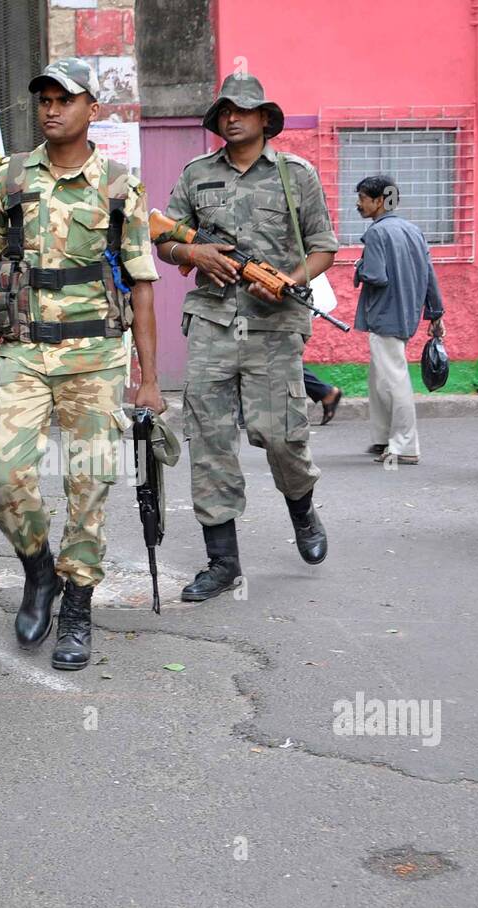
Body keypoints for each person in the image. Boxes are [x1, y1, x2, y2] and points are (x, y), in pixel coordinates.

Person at [0, 58, 164, 671]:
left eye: (65, 99)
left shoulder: (117, 186)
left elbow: (141, 281)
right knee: (3, 474)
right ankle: (38, 571)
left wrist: (150, 377)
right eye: (44, 99)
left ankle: (77, 602)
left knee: (91, 482)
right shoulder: (11, 180)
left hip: (97, 355)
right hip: (24, 350)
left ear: (92, 110)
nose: (52, 109)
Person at [155, 73, 337, 602]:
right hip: (211, 324)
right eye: (225, 110)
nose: (232, 117)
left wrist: (291, 282)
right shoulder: (195, 174)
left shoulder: (294, 176)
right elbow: (165, 237)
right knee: (209, 440)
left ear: (264, 119)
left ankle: (302, 509)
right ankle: (222, 562)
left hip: (274, 328)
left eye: (244, 109)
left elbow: (325, 247)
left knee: (280, 434)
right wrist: (195, 254)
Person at [352, 175, 445, 466]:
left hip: (383, 313)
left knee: (393, 380)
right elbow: (429, 274)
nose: (358, 203)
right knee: (380, 377)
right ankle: (383, 436)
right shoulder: (413, 230)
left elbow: (376, 275)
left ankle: (405, 445)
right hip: (406, 312)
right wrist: (435, 313)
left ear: (379, 201)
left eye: (363, 198)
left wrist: (359, 267)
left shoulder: (377, 233)